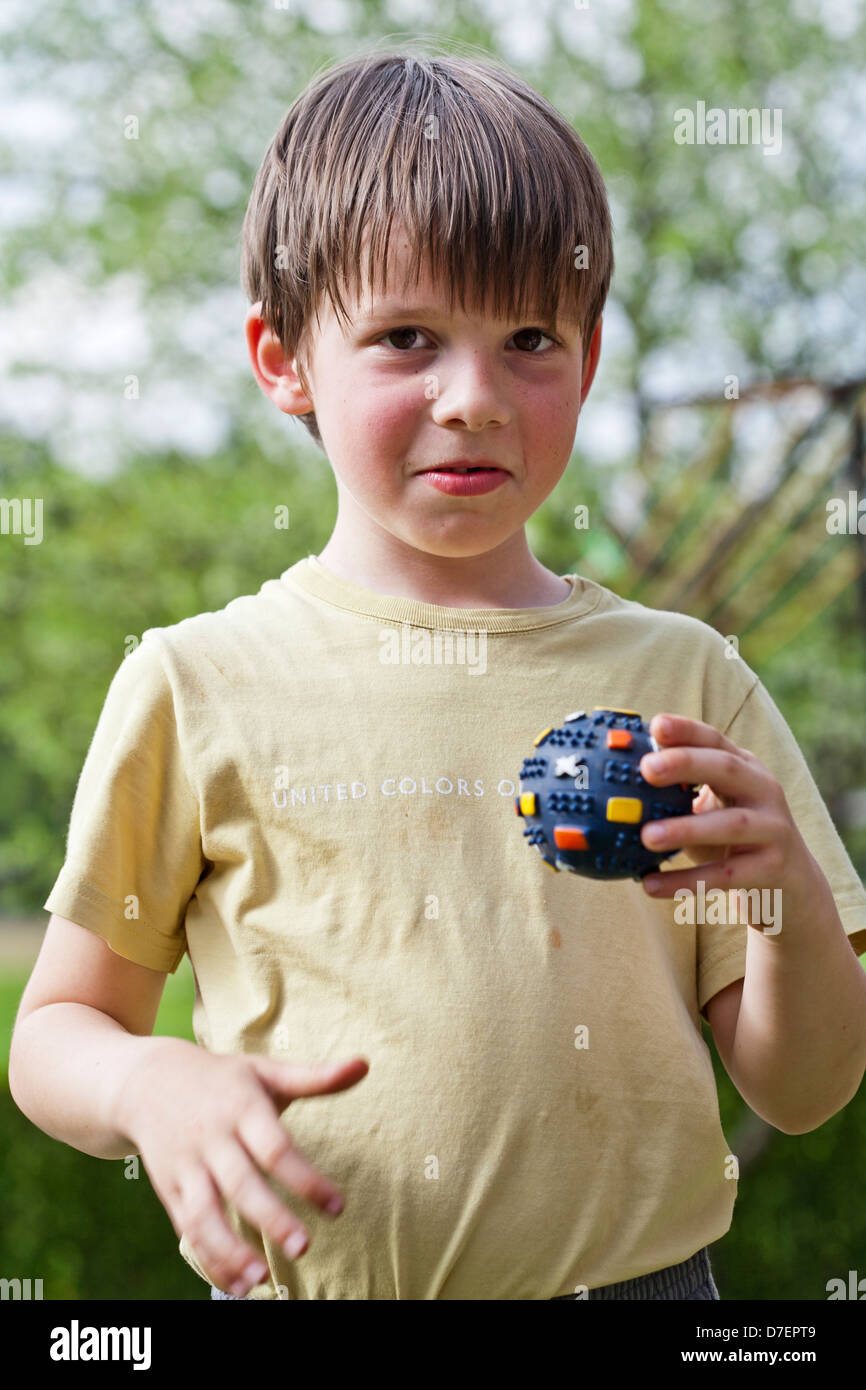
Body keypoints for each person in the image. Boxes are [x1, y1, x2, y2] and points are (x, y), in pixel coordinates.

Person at [10, 44, 866, 1303]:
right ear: (282, 356)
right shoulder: (197, 682)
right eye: (406, 336)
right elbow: (53, 1034)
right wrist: (150, 1083)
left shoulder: (683, 680)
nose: (473, 397)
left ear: (585, 355)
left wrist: (786, 884)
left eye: (528, 336)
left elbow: (799, 1091)